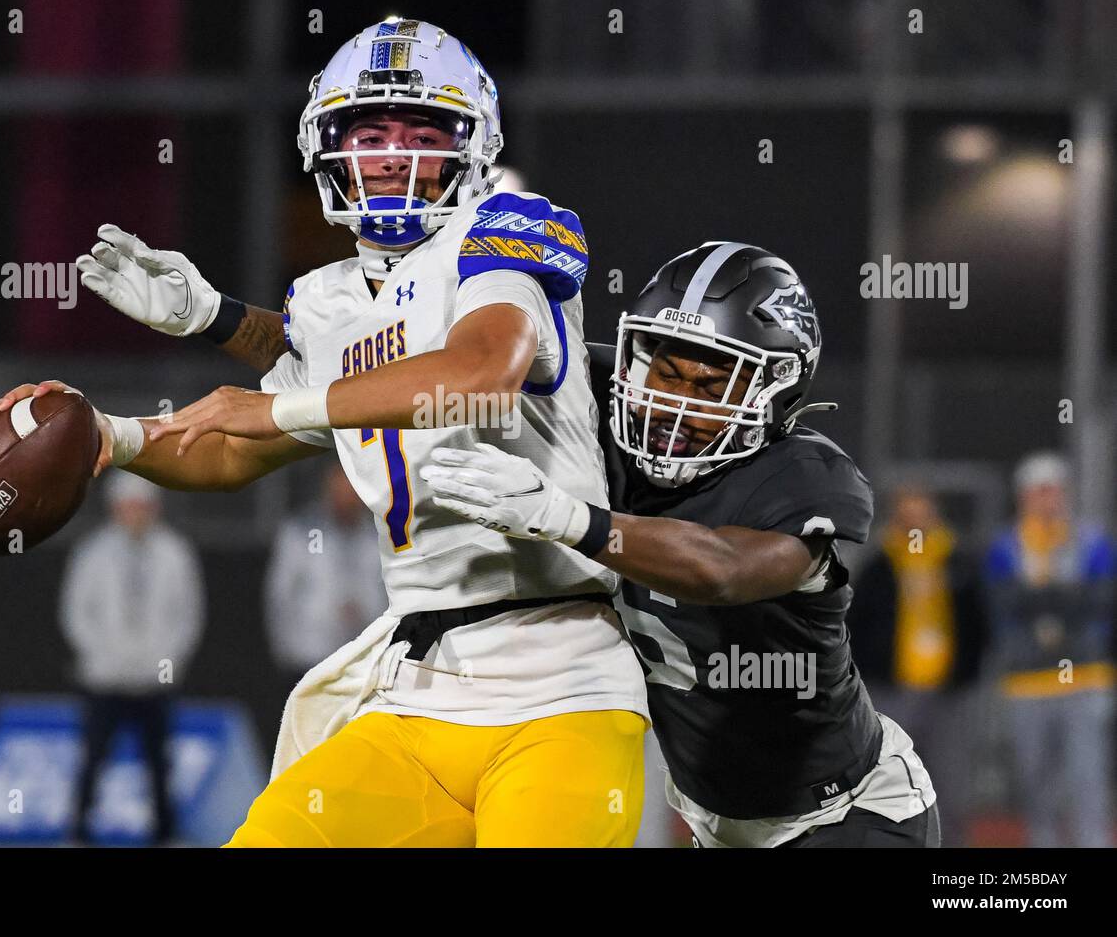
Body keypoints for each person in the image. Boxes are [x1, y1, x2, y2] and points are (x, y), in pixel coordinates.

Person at [0, 18, 648, 847]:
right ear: (330, 150)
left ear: (471, 149)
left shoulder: (504, 228)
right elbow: (233, 450)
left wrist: (281, 405)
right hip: (420, 691)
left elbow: (483, 372)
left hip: (563, 679)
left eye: (423, 132)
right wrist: (103, 436)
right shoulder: (327, 303)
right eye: (372, 133)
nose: (395, 155)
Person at [423, 242, 941, 846]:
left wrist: (568, 518)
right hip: (713, 825)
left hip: (844, 815)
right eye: (665, 372)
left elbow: (722, 570)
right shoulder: (601, 412)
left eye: (711, 383)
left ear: (774, 391)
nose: (674, 404)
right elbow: (483, 358)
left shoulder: (801, 477)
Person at [60, 472, 206, 844]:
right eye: (128, 507)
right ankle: (79, 831)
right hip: (104, 677)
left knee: (159, 762)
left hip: (154, 679)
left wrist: (166, 659)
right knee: (93, 756)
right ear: (115, 509)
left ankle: (165, 833)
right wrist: (103, 654)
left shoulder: (175, 553)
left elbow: (188, 615)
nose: (135, 514)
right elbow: (76, 612)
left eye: (141, 507)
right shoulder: (92, 552)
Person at [985, 451, 1114, 847]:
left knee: (1086, 777)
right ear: (1024, 497)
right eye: (1039, 492)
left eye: (1054, 491)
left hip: (1084, 677)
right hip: (1028, 681)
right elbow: (1004, 607)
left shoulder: (1093, 542)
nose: (1048, 500)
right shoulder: (1007, 546)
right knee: (1035, 781)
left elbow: (1102, 602)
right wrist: (1064, 599)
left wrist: (1040, 599)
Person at [849, 486, 986, 844]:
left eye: (921, 516)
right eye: (907, 517)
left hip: (947, 695)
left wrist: (964, 674)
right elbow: (856, 626)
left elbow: (978, 623)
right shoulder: (879, 568)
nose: (915, 525)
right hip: (891, 694)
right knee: (888, 786)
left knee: (951, 786)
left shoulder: (958, 563)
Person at [264, 462, 386, 684]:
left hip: (361, 661)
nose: (346, 500)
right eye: (339, 490)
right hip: (308, 656)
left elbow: (386, 596)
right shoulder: (301, 533)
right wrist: (285, 649)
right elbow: (280, 594)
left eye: (352, 492)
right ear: (327, 490)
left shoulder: (377, 538)